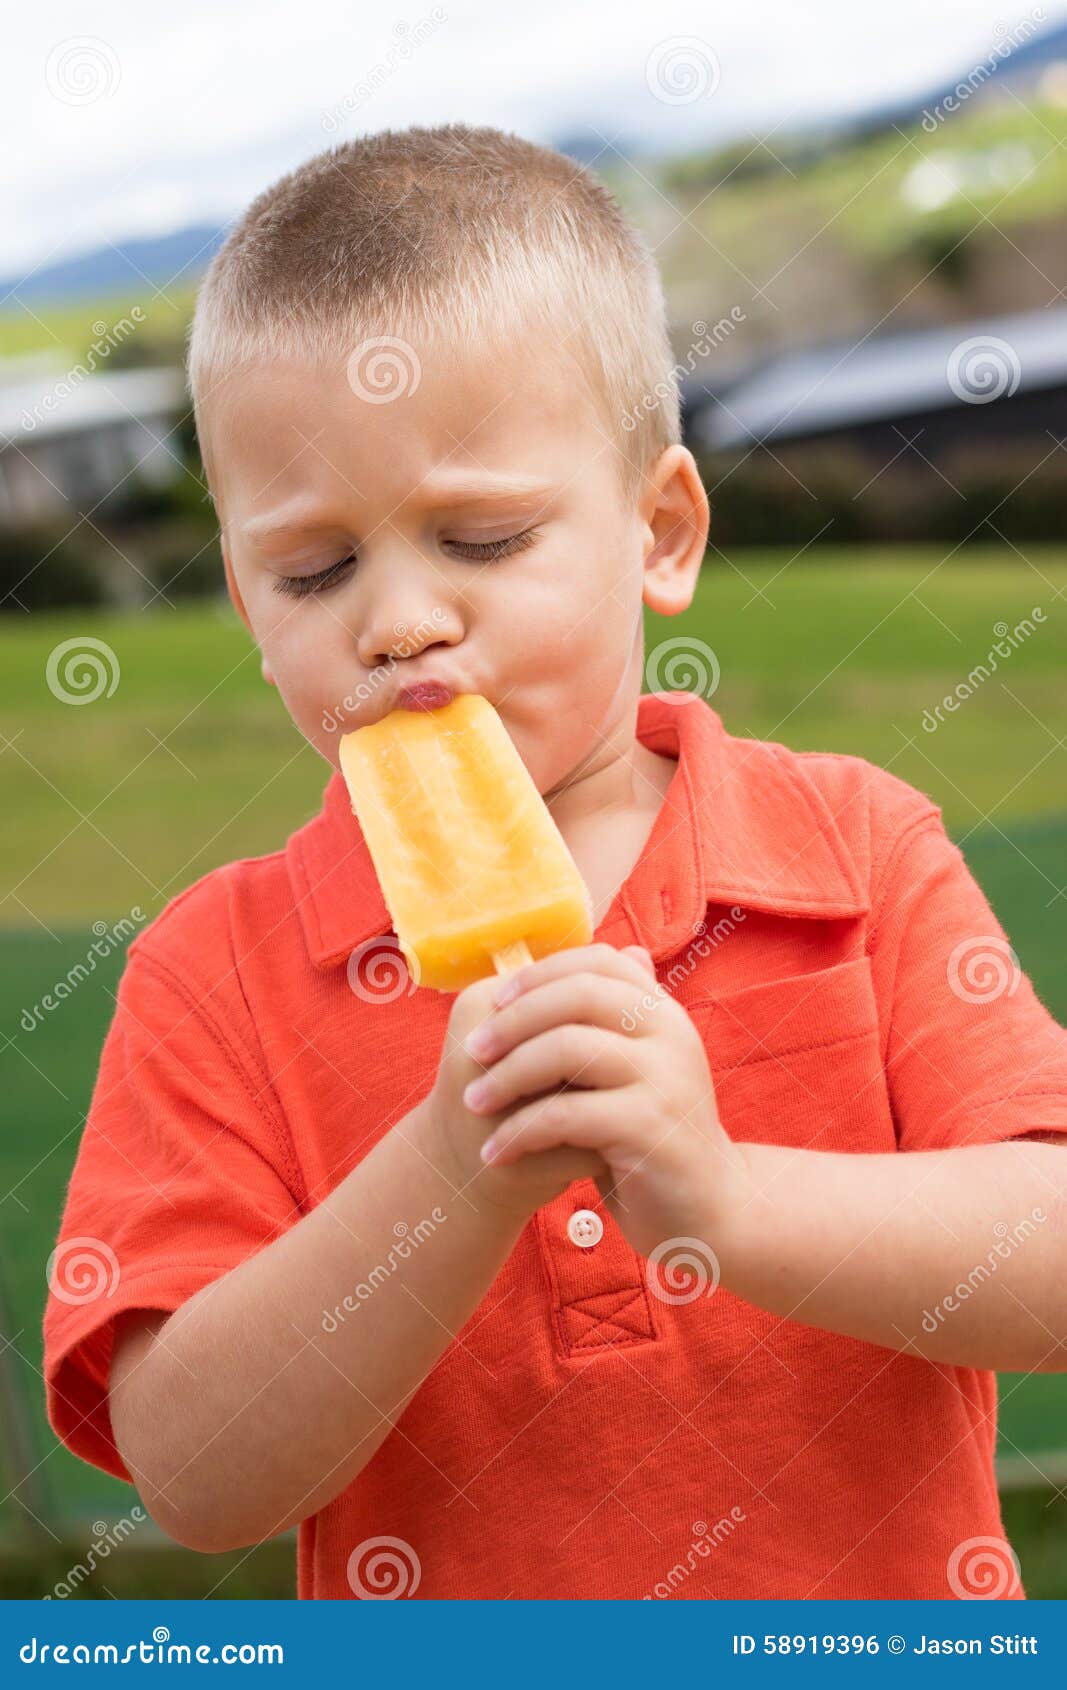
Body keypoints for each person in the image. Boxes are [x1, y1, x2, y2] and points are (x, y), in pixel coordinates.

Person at [43, 124, 1067, 1601]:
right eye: (313, 570)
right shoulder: (214, 975)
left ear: (660, 532)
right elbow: (198, 1473)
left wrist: (727, 1200)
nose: (397, 620)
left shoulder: (858, 847)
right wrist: (450, 1178)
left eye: (481, 535)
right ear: (245, 599)